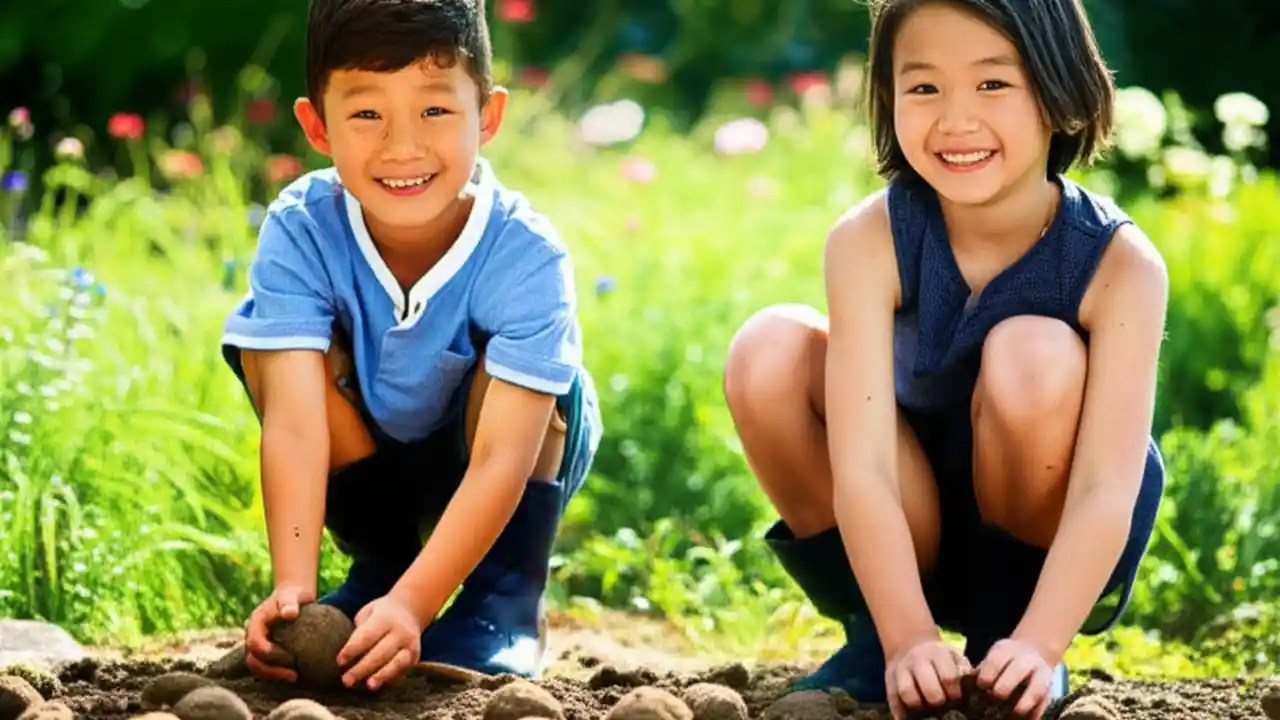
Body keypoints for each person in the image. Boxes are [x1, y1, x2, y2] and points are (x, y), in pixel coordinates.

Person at [722, 1, 1166, 718]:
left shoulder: (1120, 264)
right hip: (906, 520)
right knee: (767, 349)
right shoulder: (869, 240)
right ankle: (879, 640)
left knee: (1035, 352)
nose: (956, 120)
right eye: (924, 87)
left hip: (1045, 539)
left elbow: (1105, 490)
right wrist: (905, 638)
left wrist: (1043, 643)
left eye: (993, 85)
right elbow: (863, 466)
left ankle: (1006, 644)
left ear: (1061, 89)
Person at [219, 0, 601, 692]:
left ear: (488, 115)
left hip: (498, 458)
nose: (402, 147)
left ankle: (500, 602)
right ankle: (379, 570)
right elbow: (299, 423)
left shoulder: (526, 253)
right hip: (379, 457)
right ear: (316, 125)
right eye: (366, 114)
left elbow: (499, 460)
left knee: (534, 381)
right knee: (268, 348)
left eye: (435, 112)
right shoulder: (303, 227)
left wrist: (415, 610)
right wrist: (291, 590)